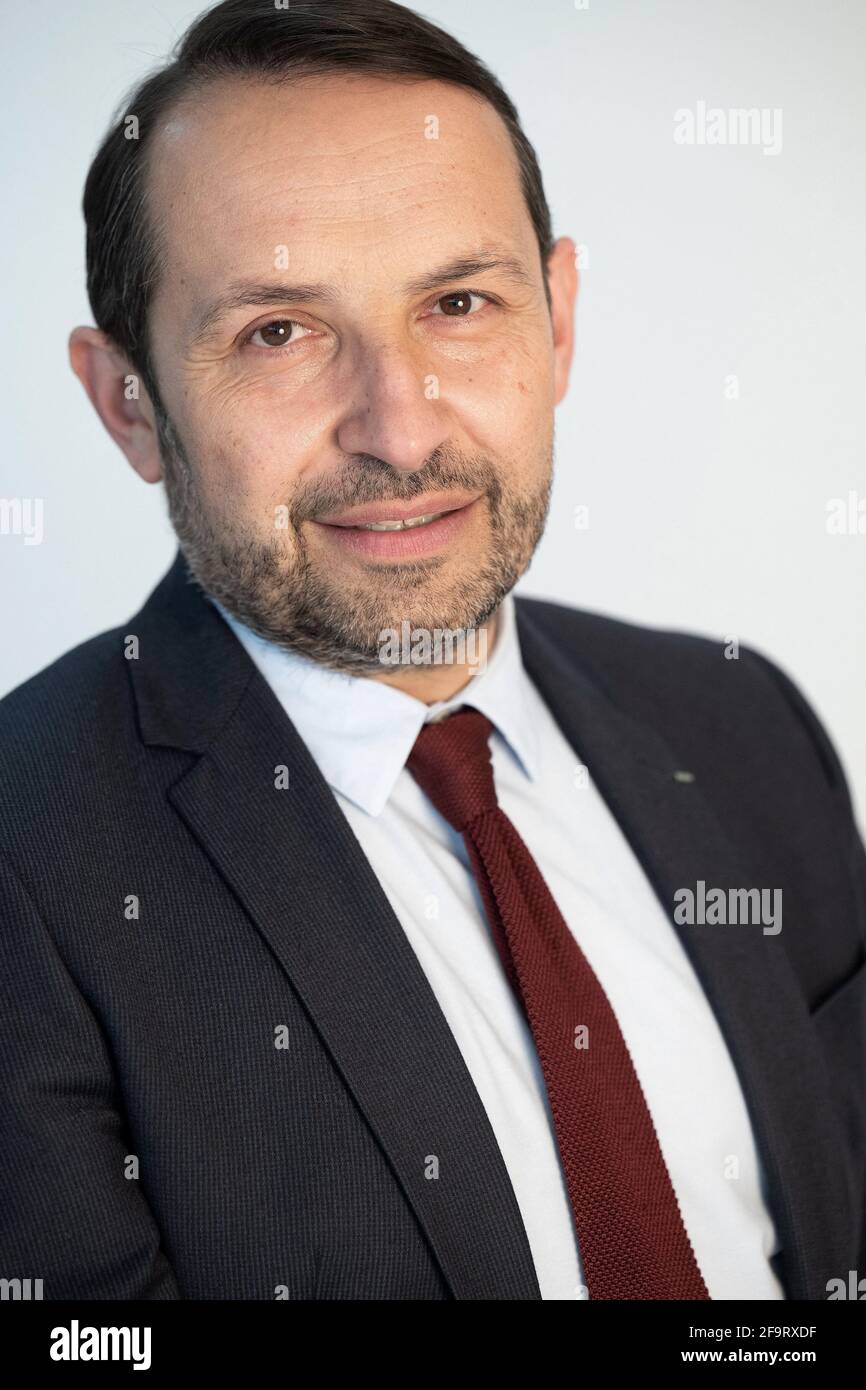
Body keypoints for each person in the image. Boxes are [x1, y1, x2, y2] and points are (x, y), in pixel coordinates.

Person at [1, 0, 863, 1301]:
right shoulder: (28, 860)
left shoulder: (741, 731)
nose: (398, 430)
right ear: (129, 403)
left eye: (457, 302)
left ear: (556, 322)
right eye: (277, 332)